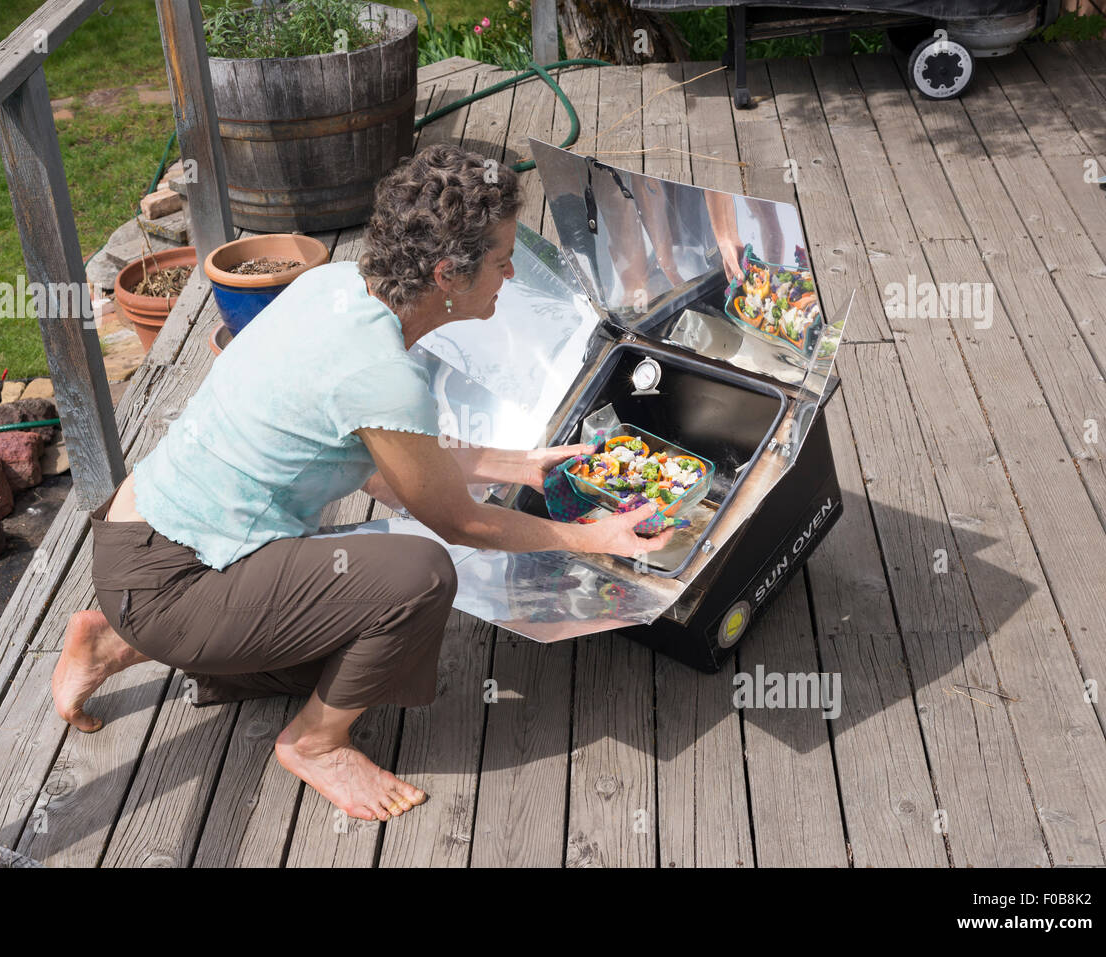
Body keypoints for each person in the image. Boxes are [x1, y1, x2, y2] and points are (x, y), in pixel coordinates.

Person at [51, 143, 675, 823]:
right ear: (447, 274)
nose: (512, 270)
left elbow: (382, 459)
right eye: (501, 260)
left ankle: (111, 638)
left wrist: (514, 464)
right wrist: (588, 536)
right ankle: (316, 741)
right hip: (175, 580)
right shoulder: (384, 371)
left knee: (337, 628)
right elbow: (460, 524)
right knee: (418, 577)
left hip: (136, 540)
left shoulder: (336, 287)